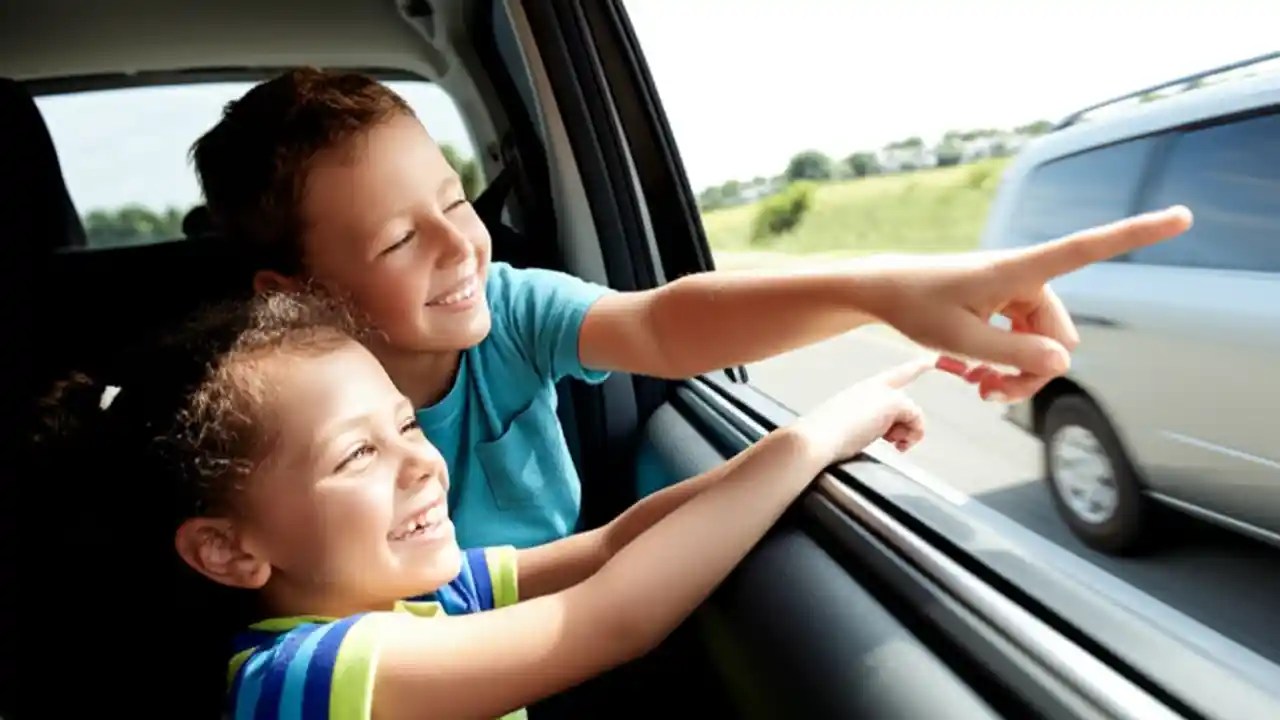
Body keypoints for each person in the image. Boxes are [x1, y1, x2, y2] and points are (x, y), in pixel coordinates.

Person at [189, 67, 1193, 549]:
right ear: (301, 297)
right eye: (402, 239)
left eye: (455, 201)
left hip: (542, 598)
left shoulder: (504, 308)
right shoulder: (290, 414)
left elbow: (665, 324)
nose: (460, 243)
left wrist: (880, 291)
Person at [35, 289, 932, 719]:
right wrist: (814, 442)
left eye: (406, 426)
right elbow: (611, 617)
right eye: (357, 454)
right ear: (230, 552)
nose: (422, 466)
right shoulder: (304, 676)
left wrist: (802, 439)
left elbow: (615, 544)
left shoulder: (424, 596)